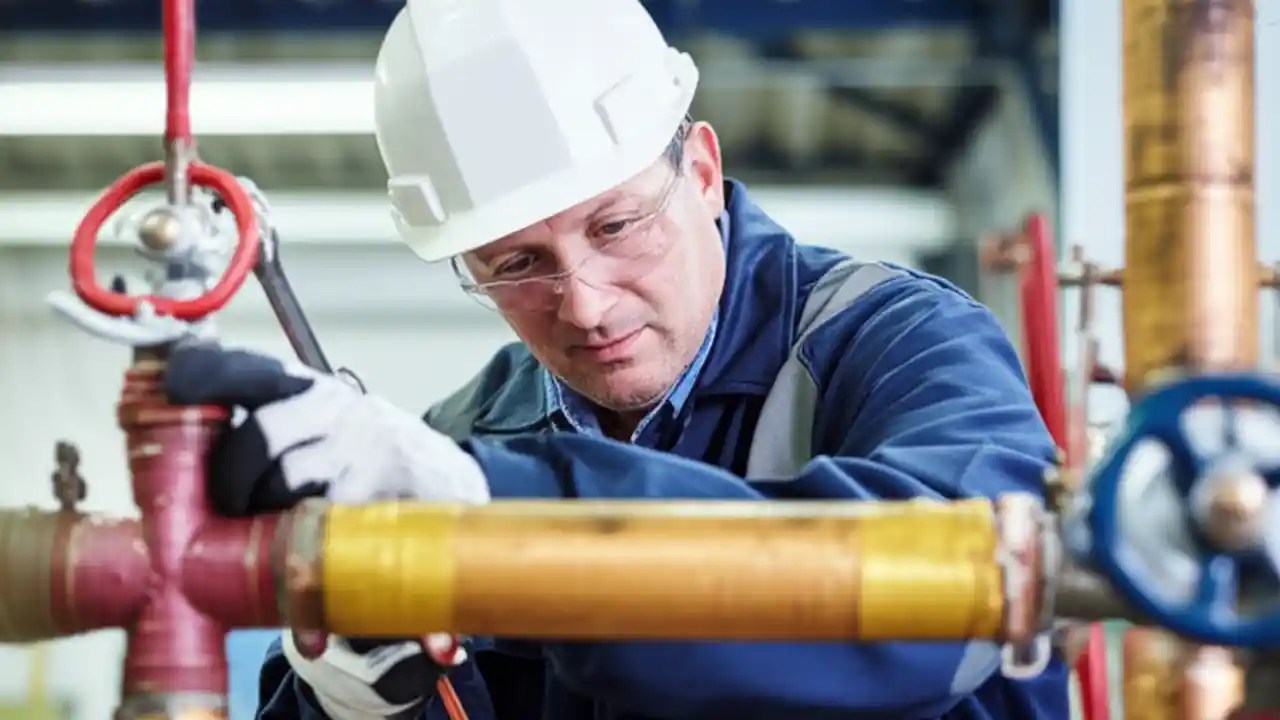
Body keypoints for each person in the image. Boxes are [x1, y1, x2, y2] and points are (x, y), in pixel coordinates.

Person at [163, 0, 1071, 717]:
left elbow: (967, 601)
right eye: (517, 265)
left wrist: (498, 509)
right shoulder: (463, 435)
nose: (586, 306)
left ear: (703, 172)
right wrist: (351, 692)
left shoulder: (902, 344)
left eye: (617, 225)